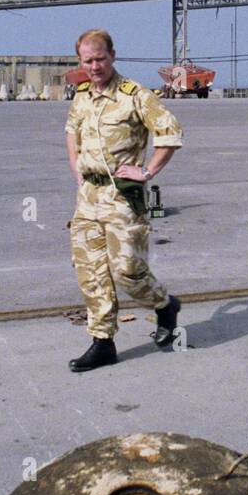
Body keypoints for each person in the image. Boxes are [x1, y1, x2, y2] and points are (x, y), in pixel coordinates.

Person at [64, 29, 183, 372]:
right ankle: (103, 342)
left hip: (122, 196)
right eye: (88, 61)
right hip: (88, 197)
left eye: (100, 58)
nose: (95, 66)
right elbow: (71, 133)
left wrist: (148, 171)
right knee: (91, 272)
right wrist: (76, 169)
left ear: (113, 56)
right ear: (80, 61)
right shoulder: (82, 96)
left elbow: (171, 133)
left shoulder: (135, 96)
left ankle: (164, 304)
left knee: (128, 271)